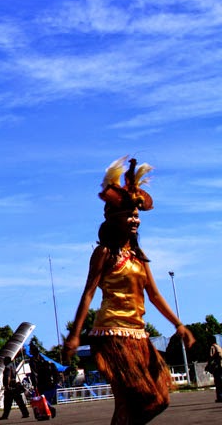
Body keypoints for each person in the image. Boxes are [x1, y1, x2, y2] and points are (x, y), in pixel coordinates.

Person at [64, 157, 196, 424]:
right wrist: (75, 335)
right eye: (130, 215)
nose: (135, 220)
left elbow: (155, 295)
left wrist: (179, 325)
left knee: (160, 399)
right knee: (144, 399)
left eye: (137, 216)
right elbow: (88, 293)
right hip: (112, 333)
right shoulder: (104, 253)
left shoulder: (138, 255)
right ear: (115, 218)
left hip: (138, 334)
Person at [29, 345, 57, 417]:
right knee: (44, 397)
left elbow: (34, 373)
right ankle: (47, 410)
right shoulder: (42, 358)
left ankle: (50, 408)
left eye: (30, 350)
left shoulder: (32, 360)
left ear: (33, 351)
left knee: (40, 397)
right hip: (46, 380)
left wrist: (34, 384)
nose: (29, 351)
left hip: (40, 381)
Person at [0, 356, 29, 420]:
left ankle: (5, 415)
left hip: (10, 387)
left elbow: (8, 376)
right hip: (15, 386)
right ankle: (25, 413)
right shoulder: (13, 366)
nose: (3, 362)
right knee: (19, 401)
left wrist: (7, 386)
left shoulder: (7, 367)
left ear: (7, 361)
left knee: (7, 402)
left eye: (4, 360)